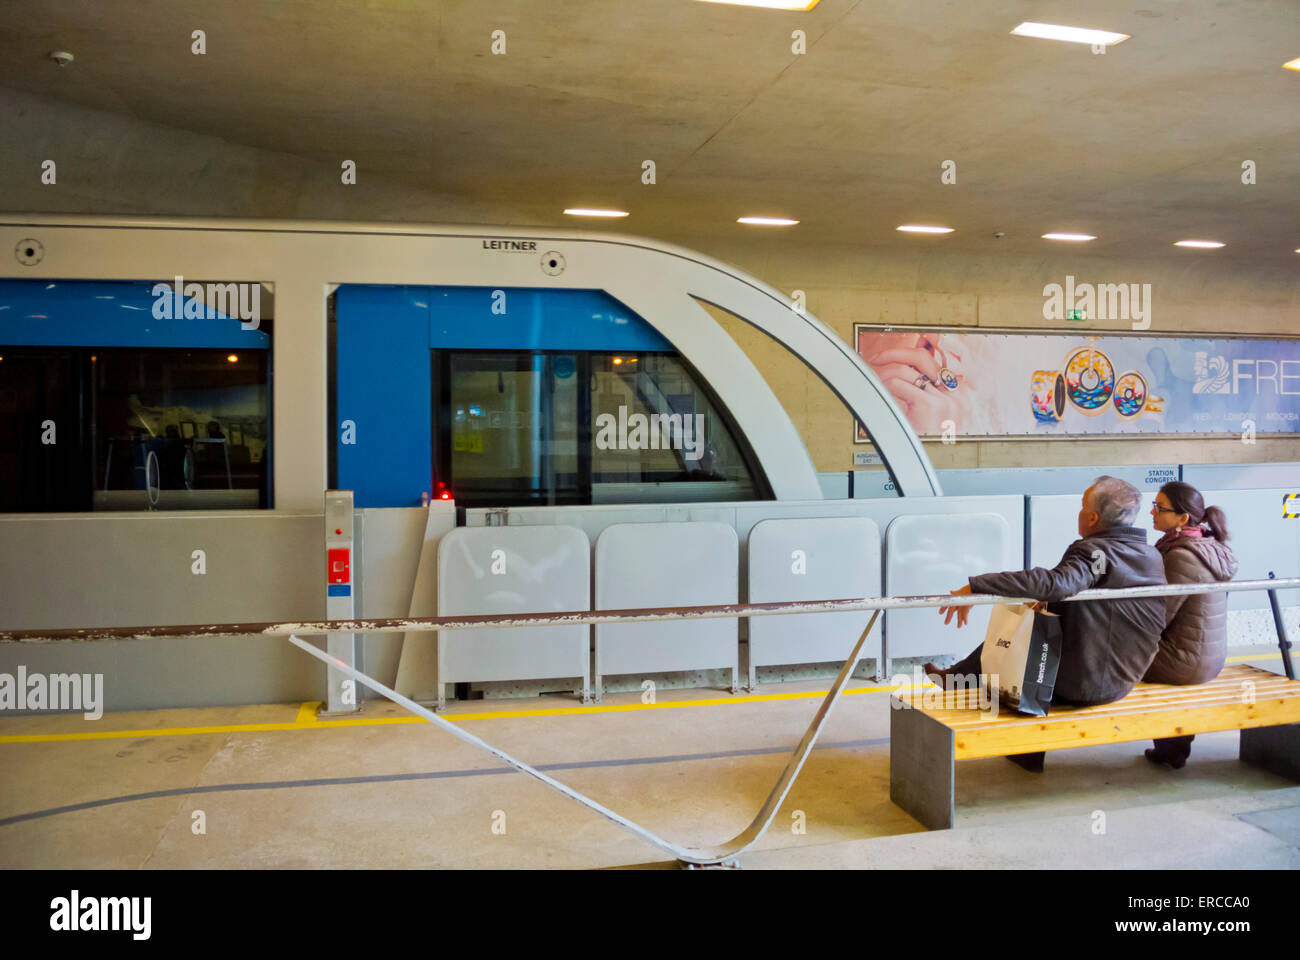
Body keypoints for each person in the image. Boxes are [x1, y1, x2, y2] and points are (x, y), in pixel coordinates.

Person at [928, 476, 1167, 771]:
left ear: (1092, 517)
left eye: (1082, 506)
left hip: (1082, 684)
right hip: (1123, 679)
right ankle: (956, 678)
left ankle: (959, 682)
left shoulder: (1095, 552)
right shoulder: (1151, 555)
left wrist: (976, 586)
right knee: (1033, 618)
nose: (1079, 512)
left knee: (1017, 636)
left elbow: (1058, 583)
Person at [1141, 481, 1238, 769]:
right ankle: (1172, 750)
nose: (1152, 512)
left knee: (1116, 652)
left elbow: (1158, 618)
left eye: (1160, 508)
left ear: (1183, 518)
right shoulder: (1208, 546)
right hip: (1208, 658)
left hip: (1185, 662)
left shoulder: (1182, 555)